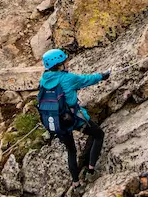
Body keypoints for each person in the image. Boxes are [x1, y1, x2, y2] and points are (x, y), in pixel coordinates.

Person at [39, 49, 110, 188]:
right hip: (73, 119)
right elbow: (86, 80)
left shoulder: (43, 79)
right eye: (65, 61)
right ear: (60, 65)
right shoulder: (67, 78)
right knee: (98, 135)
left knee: (71, 151)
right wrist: (103, 75)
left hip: (56, 122)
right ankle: (90, 171)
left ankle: (76, 183)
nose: (67, 62)